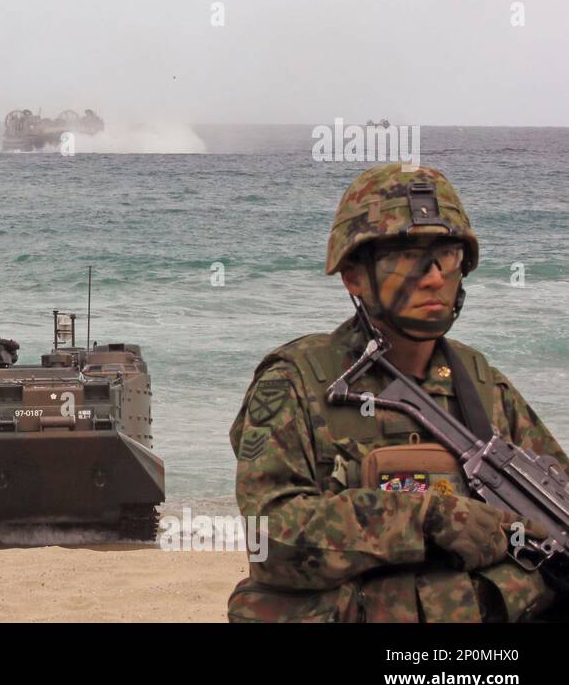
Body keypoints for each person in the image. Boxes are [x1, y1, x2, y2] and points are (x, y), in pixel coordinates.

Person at [228, 163, 566, 622]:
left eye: (446, 257)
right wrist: (426, 521)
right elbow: (270, 537)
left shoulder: (483, 384)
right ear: (354, 276)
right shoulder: (298, 382)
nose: (432, 278)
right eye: (407, 258)